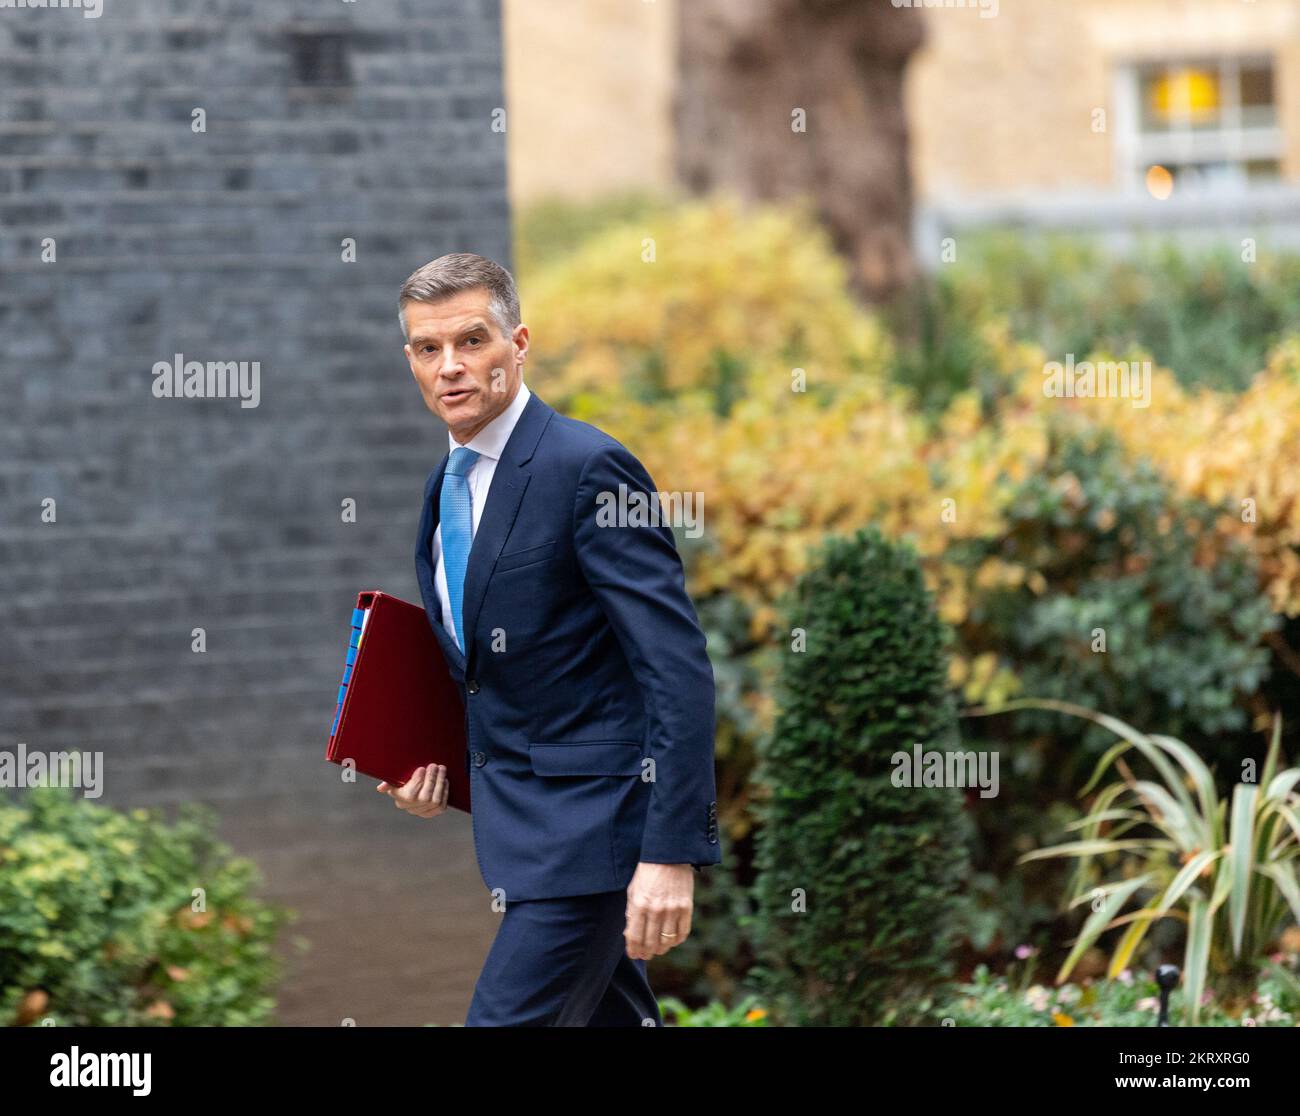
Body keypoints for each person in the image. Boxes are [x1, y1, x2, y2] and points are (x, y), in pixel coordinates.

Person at [376, 252, 721, 1026]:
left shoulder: (587, 467)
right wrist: (426, 763)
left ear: (519, 343)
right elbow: (486, 670)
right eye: (429, 350)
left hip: (593, 840)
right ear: (411, 361)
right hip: (522, 834)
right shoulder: (446, 484)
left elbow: (677, 669)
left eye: (473, 341)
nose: (451, 368)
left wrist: (671, 852)